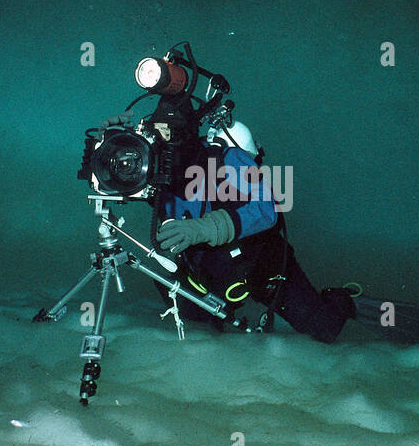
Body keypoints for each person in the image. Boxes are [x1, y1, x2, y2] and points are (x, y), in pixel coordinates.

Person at [101, 108, 358, 343]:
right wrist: (113, 146)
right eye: (157, 132)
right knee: (197, 337)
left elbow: (266, 209)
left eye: (170, 132)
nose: (164, 140)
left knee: (323, 328)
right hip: (204, 273)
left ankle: (340, 299)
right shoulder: (154, 168)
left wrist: (203, 228)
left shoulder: (228, 158)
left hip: (260, 267)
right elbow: (114, 182)